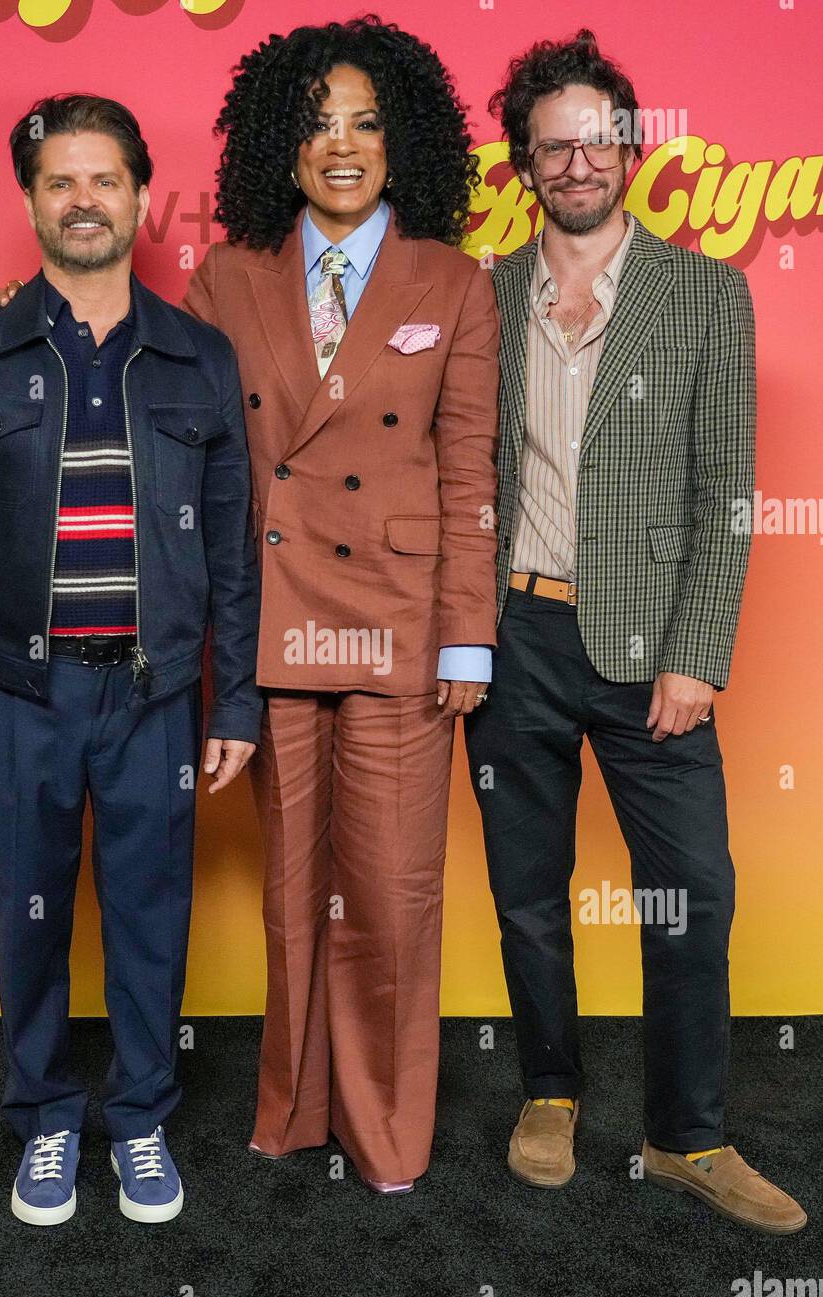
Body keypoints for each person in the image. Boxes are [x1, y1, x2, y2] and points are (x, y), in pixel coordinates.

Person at [0, 94, 261, 1226]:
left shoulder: (200, 354)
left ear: (142, 199)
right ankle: (47, 1119)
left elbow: (235, 553)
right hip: (14, 693)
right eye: (60, 180)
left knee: (150, 915)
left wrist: (232, 695)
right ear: (32, 201)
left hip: (154, 696)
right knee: (28, 918)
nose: (83, 198)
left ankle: (139, 1119)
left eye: (104, 179)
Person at [465, 29, 806, 1233]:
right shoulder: (481, 292)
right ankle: (549, 1090)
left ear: (629, 147)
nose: (576, 160)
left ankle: (687, 1134)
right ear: (525, 163)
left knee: (692, 893)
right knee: (525, 891)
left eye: (595, 137)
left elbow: (727, 487)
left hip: (650, 646)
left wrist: (695, 655)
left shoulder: (706, 291)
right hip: (512, 636)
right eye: (551, 143)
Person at [184, 17, 499, 1192]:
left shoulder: (452, 281)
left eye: (366, 120)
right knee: (290, 887)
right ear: (281, 143)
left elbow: (471, 471)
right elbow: (209, 464)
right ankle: (292, 1110)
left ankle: (383, 1139)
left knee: (391, 891)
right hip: (273, 616)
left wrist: (468, 633)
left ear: (402, 138)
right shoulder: (226, 274)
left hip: (401, 622)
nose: (343, 144)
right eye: (317, 122)